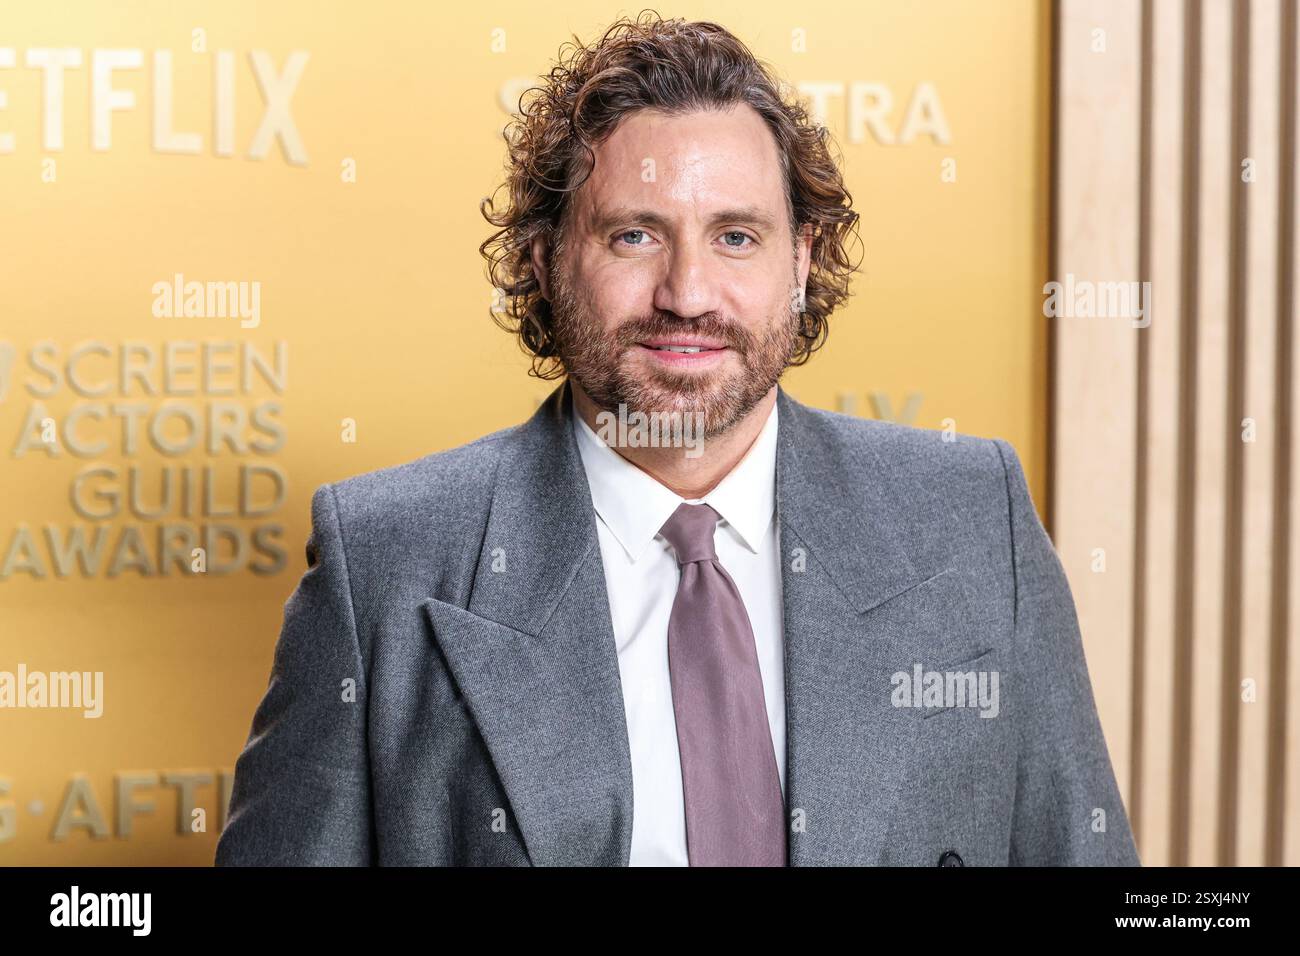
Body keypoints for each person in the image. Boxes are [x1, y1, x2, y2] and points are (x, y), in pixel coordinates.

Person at [216, 12, 1139, 867]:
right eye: (633, 236)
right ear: (544, 259)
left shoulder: (973, 517)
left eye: (736, 236)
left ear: (802, 259)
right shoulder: (381, 562)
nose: (688, 292)